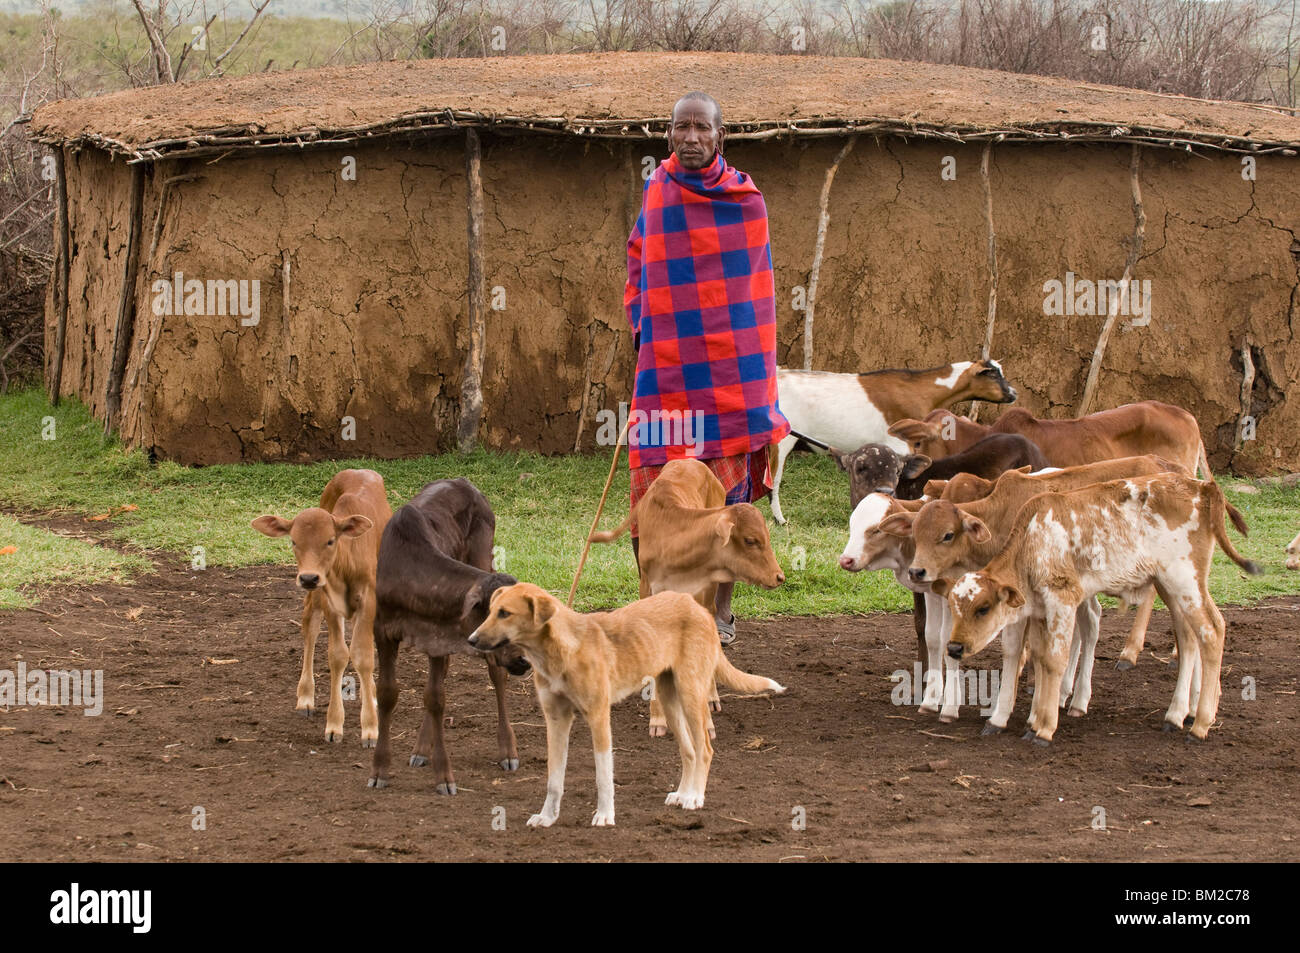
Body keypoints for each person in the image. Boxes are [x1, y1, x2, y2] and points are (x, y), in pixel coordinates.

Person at [623, 90, 790, 645]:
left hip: (730, 373)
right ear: (667, 135)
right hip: (667, 371)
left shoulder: (747, 202)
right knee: (656, 496)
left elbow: (753, 296)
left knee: (728, 503)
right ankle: (659, 603)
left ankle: (719, 611)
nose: (691, 137)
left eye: (702, 128)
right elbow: (639, 264)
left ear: (721, 137)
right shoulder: (657, 193)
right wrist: (643, 326)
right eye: (681, 128)